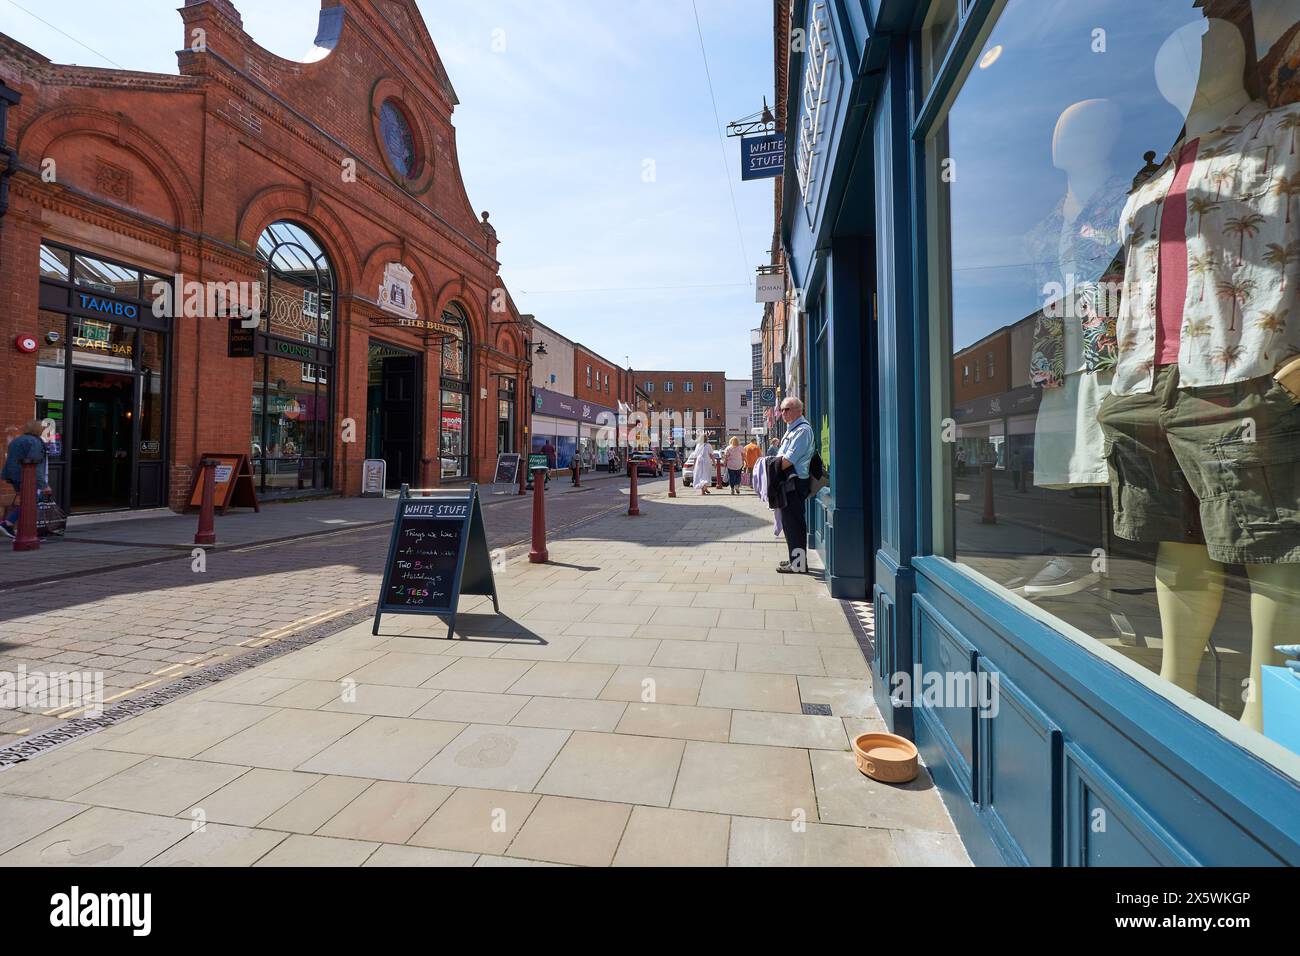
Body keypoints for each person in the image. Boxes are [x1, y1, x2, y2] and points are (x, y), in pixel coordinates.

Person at [773, 398, 815, 574]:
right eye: (782, 410)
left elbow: (788, 460)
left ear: (799, 410)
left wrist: (767, 466)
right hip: (790, 482)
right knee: (789, 523)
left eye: (787, 409)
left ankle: (798, 564)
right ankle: (795, 559)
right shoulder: (793, 429)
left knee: (795, 523)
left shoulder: (802, 431)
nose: (783, 413)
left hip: (795, 482)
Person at [2, 420, 52, 539]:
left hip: (13, 475)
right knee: (32, 501)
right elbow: (34, 464)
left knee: (28, 501)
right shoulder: (34, 442)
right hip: (24, 477)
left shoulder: (18, 439)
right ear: (39, 430)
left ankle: (15, 526)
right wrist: (44, 485)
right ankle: (10, 524)